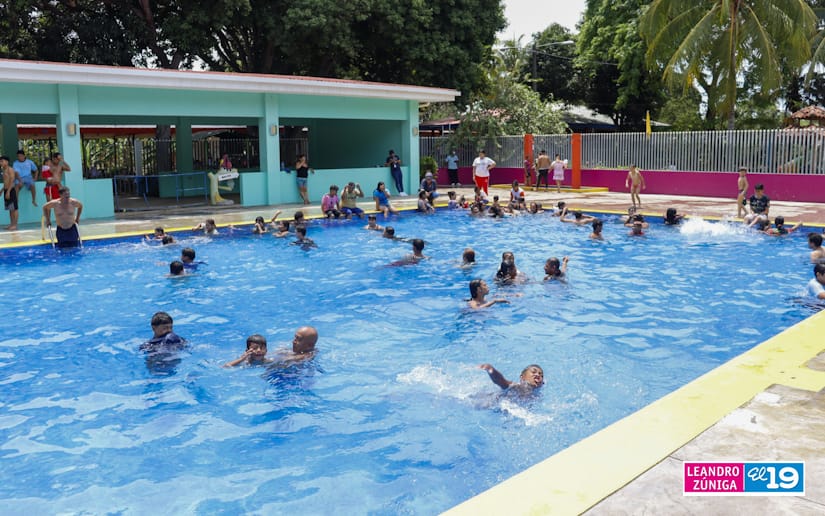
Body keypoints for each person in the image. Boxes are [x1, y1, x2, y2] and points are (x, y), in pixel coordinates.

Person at [478, 363, 544, 394]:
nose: (538, 375)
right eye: (533, 372)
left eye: (541, 375)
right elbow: (500, 381)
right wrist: (491, 369)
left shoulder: (537, 396)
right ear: (522, 377)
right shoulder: (517, 387)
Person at [2, 156, 20, 231]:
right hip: (6, 190)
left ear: (7, 162)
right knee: (10, 209)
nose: (1, 163)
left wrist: (8, 191)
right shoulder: (4, 170)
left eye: (2, 161)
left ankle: (15, 225)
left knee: (14, 209)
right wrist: (2, 190)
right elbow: (6, 182)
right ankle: (11, 224)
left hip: (11, 190)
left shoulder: (10, 170)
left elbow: (12, 181)